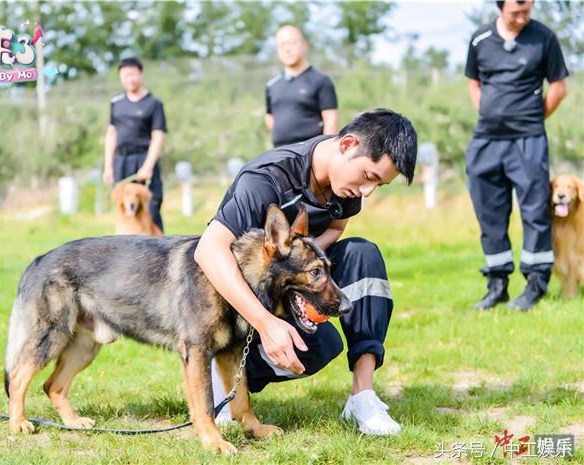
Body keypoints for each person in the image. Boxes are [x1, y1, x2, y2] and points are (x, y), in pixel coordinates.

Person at [195, 108, 418, 436]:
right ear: (347, 145)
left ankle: (363, 396)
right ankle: (221, 372)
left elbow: (337, 228)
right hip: (244, 297)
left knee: (362, 254)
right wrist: (268, 324)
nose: (367, 192)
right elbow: (209, 250)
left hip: (292, 278)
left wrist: (306, 274)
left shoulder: (346, 187)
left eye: (379, 186)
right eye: (370, 177)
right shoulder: (267, 178)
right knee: (320, 345)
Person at [465, 0, 568, 311]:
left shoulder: (544, 37)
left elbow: (559, 87)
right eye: (515, 12)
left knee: (535, 210)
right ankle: (497, 284)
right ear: (500, 8)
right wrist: (486, 112)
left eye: (528, 10)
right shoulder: (480, 39)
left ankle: (536, 283)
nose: (523, 17)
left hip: (529, 139)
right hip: (487, 140)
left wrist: (533, 119)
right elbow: (473, 81)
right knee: (489, 212)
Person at [103, 57, 167, 232]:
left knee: (151, 207)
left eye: (133, 74)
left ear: (141, 74)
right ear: (120, 78)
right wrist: (108, 166)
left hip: (144, 159)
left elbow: (158, 135)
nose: (130, 79)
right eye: (125, 75)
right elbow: (112, 133)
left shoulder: (153, 103)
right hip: (121, 160)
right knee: (124, 208)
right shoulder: (116, 103)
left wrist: (148, 166)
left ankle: (159, 252)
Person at [265, 24, 339, 147]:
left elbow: (331, 121)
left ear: (305, 45)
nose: (287, 49)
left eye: (292, 43)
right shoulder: (272, 85)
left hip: (309, 154)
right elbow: (269, 116)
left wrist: (324, 151)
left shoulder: (321, 80)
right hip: (279, 154)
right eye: (281, 45)